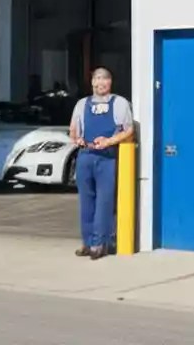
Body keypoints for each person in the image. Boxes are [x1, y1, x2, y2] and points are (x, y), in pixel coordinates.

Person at [69, 66, 134, 260]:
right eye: (97, 79)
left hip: (107, 157)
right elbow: (73, 129)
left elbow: (128, 130)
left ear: (110, 82)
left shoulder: (120, 103)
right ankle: (87, 243)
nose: (100, 83)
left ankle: (100, 243)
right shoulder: (82, 104)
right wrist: (76, 138)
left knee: (105, 202)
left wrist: (109, 141)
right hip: (85, 155)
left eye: (104, 79)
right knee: (86, 201)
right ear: (92, 82)